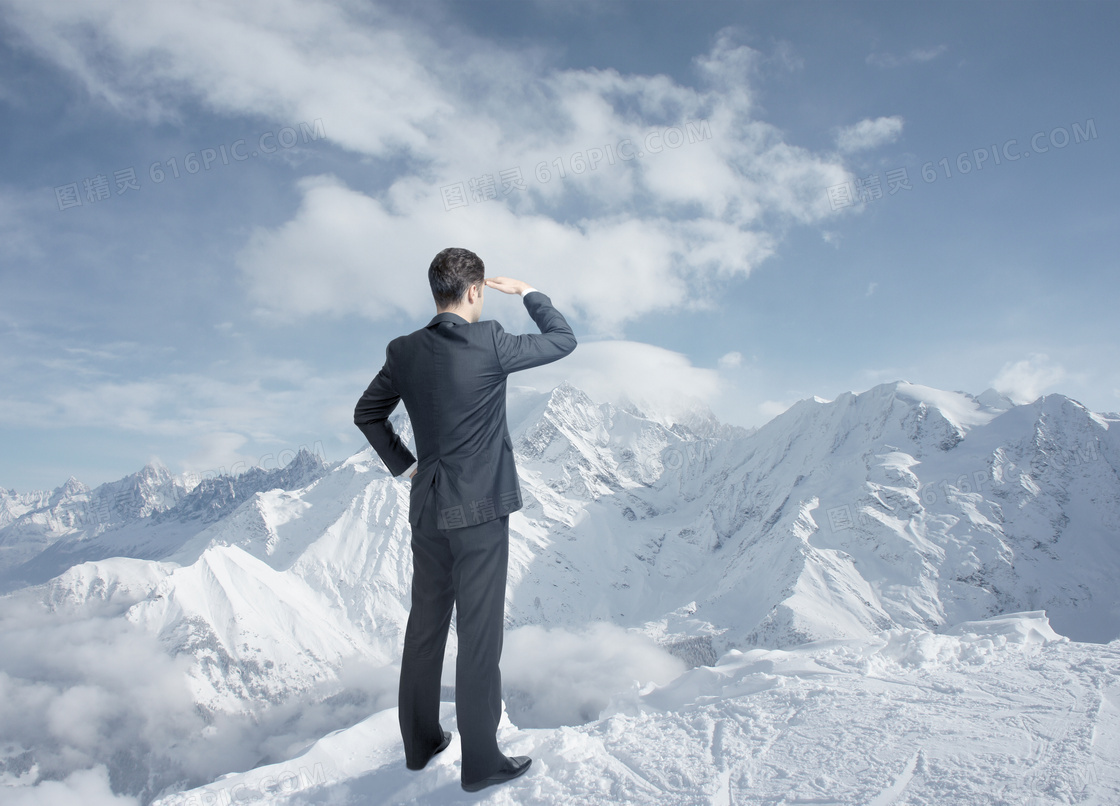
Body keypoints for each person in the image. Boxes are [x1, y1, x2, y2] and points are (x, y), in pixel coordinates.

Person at [354, 247, 576, 792]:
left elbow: (367, 413)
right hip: (479, 509)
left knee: (425, 624)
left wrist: (406, 466)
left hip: (427, 504)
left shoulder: (403, 350)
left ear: (436, 292)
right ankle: (480, 763)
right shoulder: (491, 339)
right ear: (475, 290)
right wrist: (527, 292)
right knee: (478, 634)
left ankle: (420, 742)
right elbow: (563, 339)